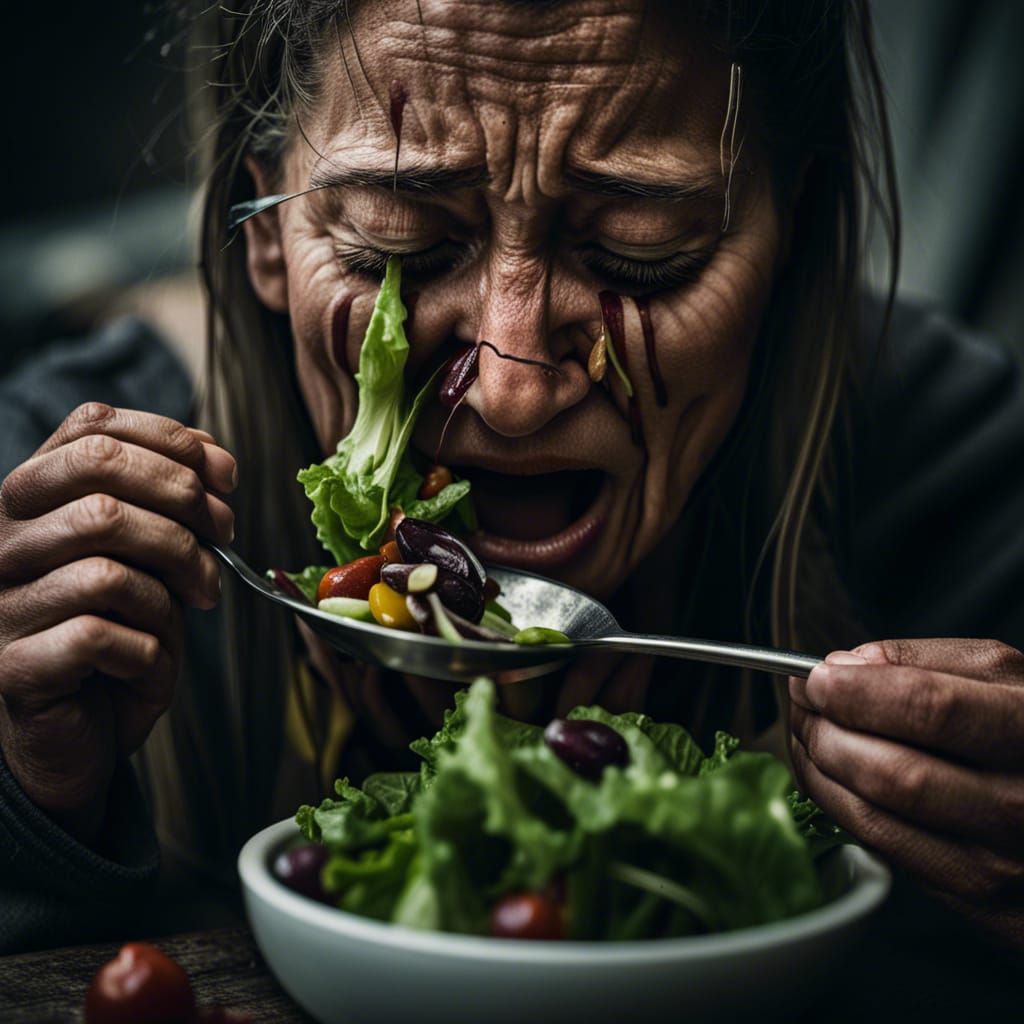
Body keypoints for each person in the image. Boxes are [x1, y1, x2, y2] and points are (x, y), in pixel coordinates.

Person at [1, 0, 1022, 973]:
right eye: (396, 245)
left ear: (788, 227)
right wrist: (31, 803)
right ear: (263, 232)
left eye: (642, 251)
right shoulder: (50, 518)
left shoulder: (971, 487)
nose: (512, 389)